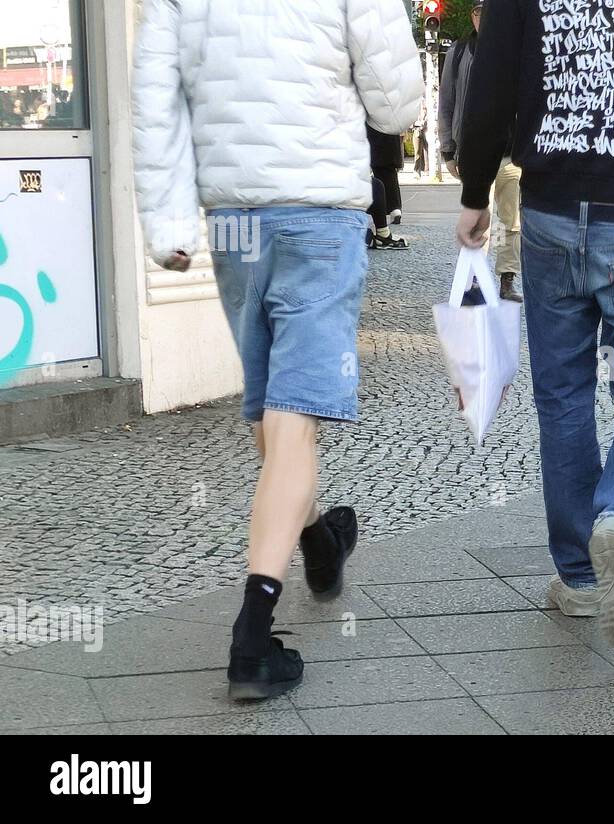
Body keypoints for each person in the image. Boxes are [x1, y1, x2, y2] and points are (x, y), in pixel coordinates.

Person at [132, 0, 421, 699]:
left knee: (272, 413)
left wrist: (169, 224)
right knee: (292, 418)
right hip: (318, 211)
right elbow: (396, 104)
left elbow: (155, 105)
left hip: (235, 220)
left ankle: (318, 538)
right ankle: (252, 636)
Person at [454, 0, 614, 648]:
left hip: (551, 213)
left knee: (563, 393)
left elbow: (491, 84)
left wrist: (474, 192)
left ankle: (579, 576)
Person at [440, 0, 522, 302]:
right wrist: (447, 148)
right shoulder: (460, 52)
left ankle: (506, 278)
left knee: (510, 221)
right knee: (477, 218)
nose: (482, 17)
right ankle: (475, 278)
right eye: (477, 11)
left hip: (511, 154)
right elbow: (446, 102)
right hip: (472, 156)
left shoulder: (514, 47)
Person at [367, 125, 410, 248]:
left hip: (371, 134)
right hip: (389, 133)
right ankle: (394, 209)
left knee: (374, 182)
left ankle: (381, 226)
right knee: (387, 175)